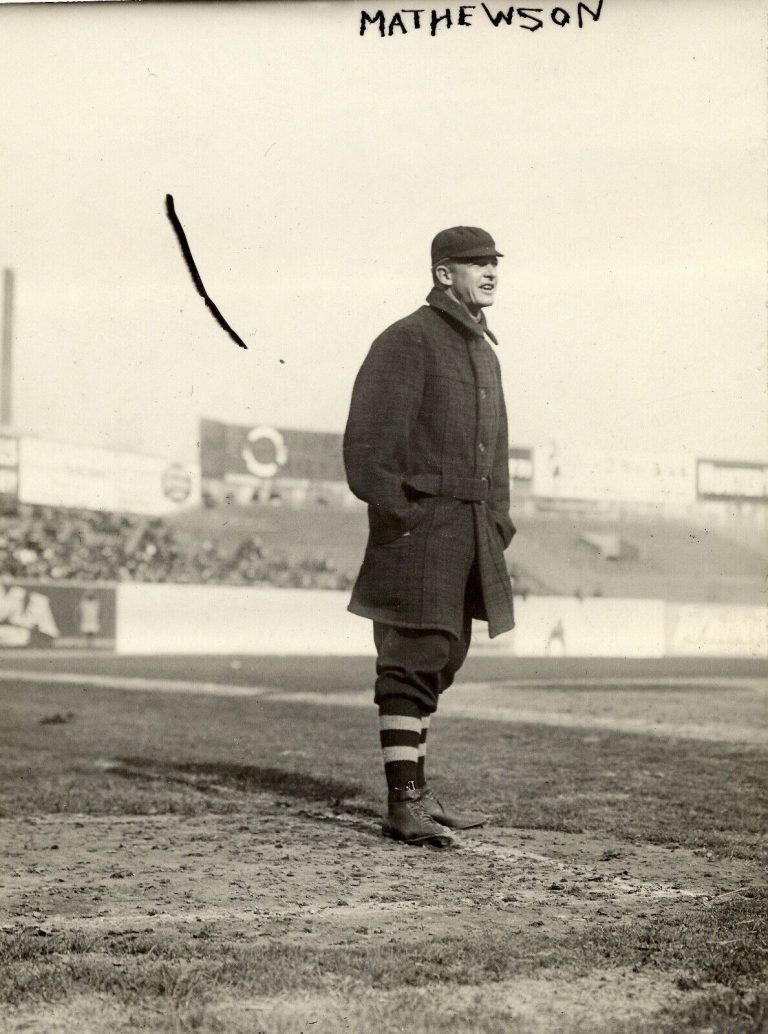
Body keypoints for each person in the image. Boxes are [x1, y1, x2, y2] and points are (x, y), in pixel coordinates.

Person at [343, 226, 516, 847]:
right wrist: (406, 515)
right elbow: (367, 449)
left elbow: (496, 453)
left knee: (443, 656)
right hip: (420, 528)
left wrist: (497, 520)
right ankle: (403, 801)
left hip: (469, 531)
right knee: (413, 657)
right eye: (476, 263)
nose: (491, 271)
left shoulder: (484, 352)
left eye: (495, 262)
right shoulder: (408, 339)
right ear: (444, 273)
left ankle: (418, 787)